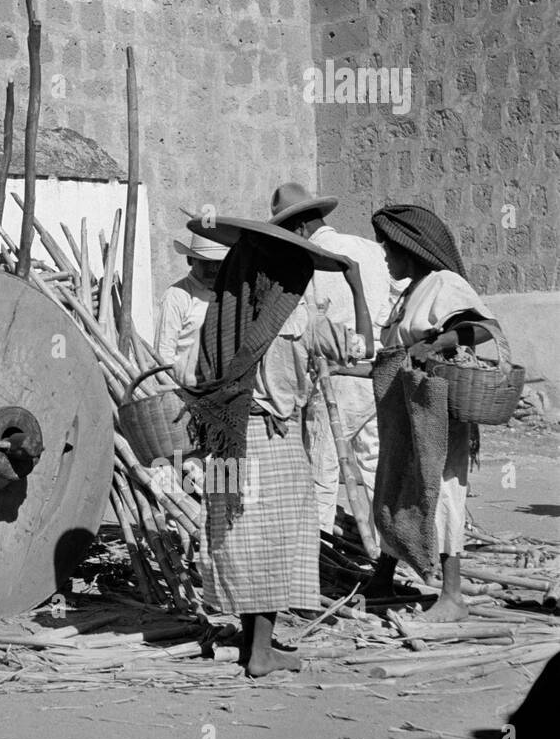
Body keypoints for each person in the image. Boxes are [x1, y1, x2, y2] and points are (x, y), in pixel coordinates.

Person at [184, 211, 372, 676]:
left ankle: (253, 645)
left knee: (240, 539)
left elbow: (191, 375)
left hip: (224, 440)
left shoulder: (221, 317)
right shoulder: (300, 318)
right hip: (273, 437)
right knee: (274, 542)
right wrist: (357, 285)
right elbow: (363, 347)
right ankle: (262, 653)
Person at [365, 204, 496, 622]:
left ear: (409, 248)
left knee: (440, 490)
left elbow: (483, 329)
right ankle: (382, 577)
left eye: (389, 249)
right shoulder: (410, 291)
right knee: (394, 484)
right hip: (403, 409)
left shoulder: (444, 282)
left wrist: (436, 346)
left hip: (435, 408)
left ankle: (452, 595)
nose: (385, 257)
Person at [268, 182, 393, 538]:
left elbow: (304, 327)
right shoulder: (371, 251)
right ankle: (383, 548)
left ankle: (320, 545)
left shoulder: (307, 261)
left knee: (323, 467)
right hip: (375, 372)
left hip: (334, 377)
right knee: (372, 463)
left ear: (299, 227)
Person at [154, 232, 228, 386]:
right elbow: (164, 353)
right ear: (190, 259)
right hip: (188, 385)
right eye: (205, 262)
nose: (213, 268)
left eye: (218, 263)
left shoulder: (228, 294)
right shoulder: (177, 296)